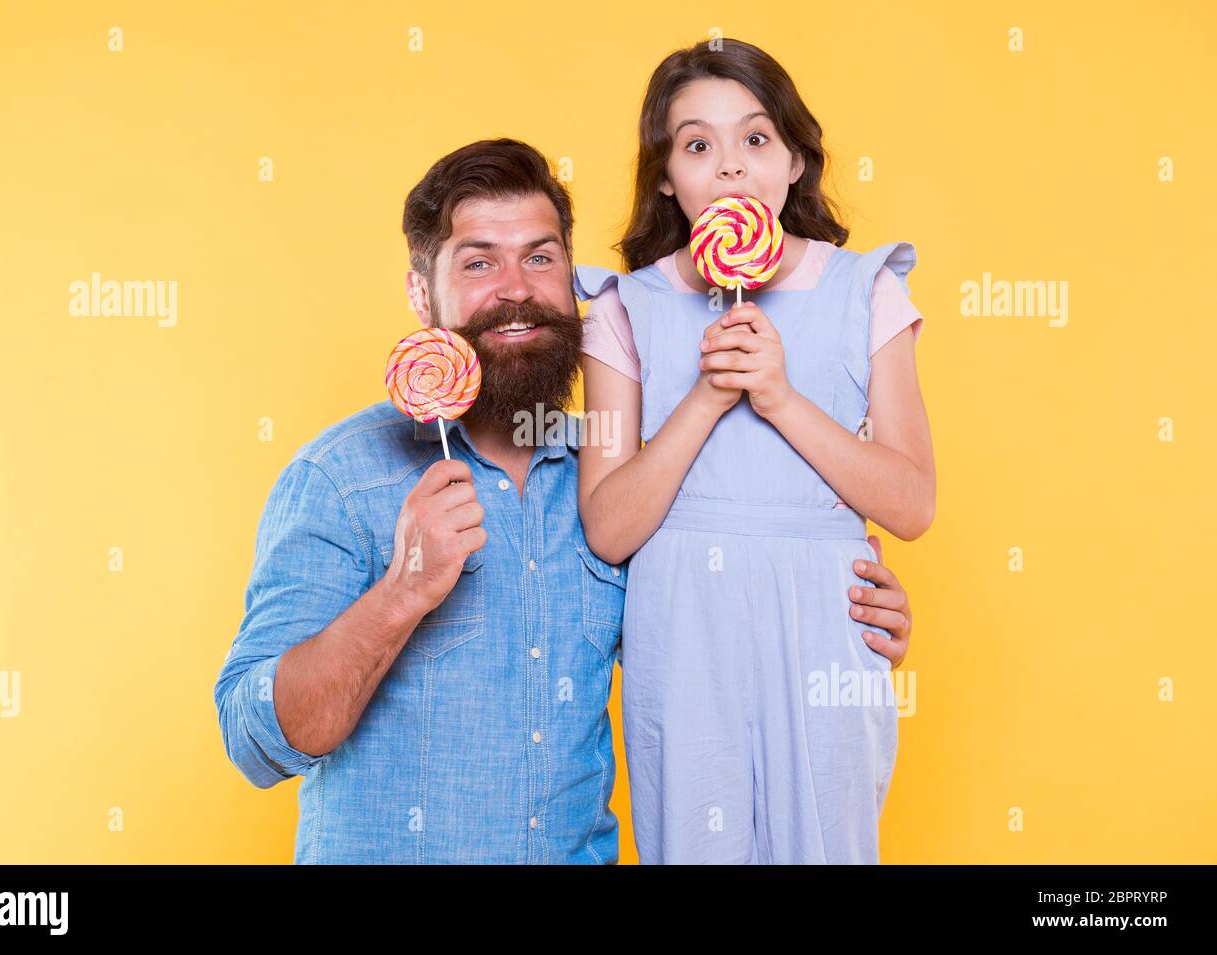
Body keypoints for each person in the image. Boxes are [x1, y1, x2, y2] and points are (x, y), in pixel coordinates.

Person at [213, 137, 917, 863]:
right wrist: (401, 594)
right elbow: (256, 741)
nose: (516, 288)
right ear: (422, 294)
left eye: (541, 257)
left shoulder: (612, 479)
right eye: (479, 260)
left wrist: (840, 617)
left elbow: (704, 629)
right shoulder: (340, 476)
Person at [575, 39, 935, 863]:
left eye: (756, 139)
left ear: (797, 159)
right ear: (666, 175)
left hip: (827, 619)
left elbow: (911, 504)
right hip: (682, 625)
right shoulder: (623, 307)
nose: (730, 168)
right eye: (697, 145)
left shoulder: (865, 290)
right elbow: (609, 526)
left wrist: (778, 395)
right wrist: (707, 395)